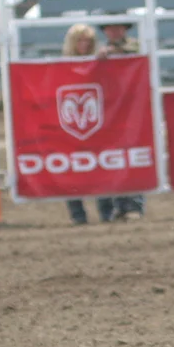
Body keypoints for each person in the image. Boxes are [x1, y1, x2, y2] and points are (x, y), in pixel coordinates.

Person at [60, 25, 118, 227]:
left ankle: (106, 211)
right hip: (72, 126)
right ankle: (77, 214)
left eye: (88, 41)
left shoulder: (99, 63)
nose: (84, 45)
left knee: (99, 169)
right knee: (71, 172)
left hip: (96, 125)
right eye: (80, 40)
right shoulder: (61, 66)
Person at [94, 23, 147, 222]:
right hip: (108, 110)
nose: (115, 32)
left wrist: (111, 51)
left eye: (118, 28)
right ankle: (115, 208)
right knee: (112, 159)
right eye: (111, 29)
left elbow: (136, 51)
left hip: (131, 108)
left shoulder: (133, 46)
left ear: (124, 30)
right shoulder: (98, 50)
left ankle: (133, 206)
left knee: (133, 156)